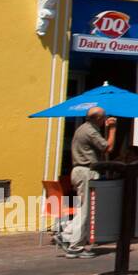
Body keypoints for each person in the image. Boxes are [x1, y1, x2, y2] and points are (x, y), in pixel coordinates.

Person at [59, 107, 116, 258]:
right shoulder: (90, 131)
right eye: (104, 117)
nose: (105, 120)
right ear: (98, 118)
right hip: (86, 171)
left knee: (83, 208)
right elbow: (108, 147)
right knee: (86, 210)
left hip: (78, 170)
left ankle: (67, 235)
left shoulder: (83, 129)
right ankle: (75, 247)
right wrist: (112, 129)